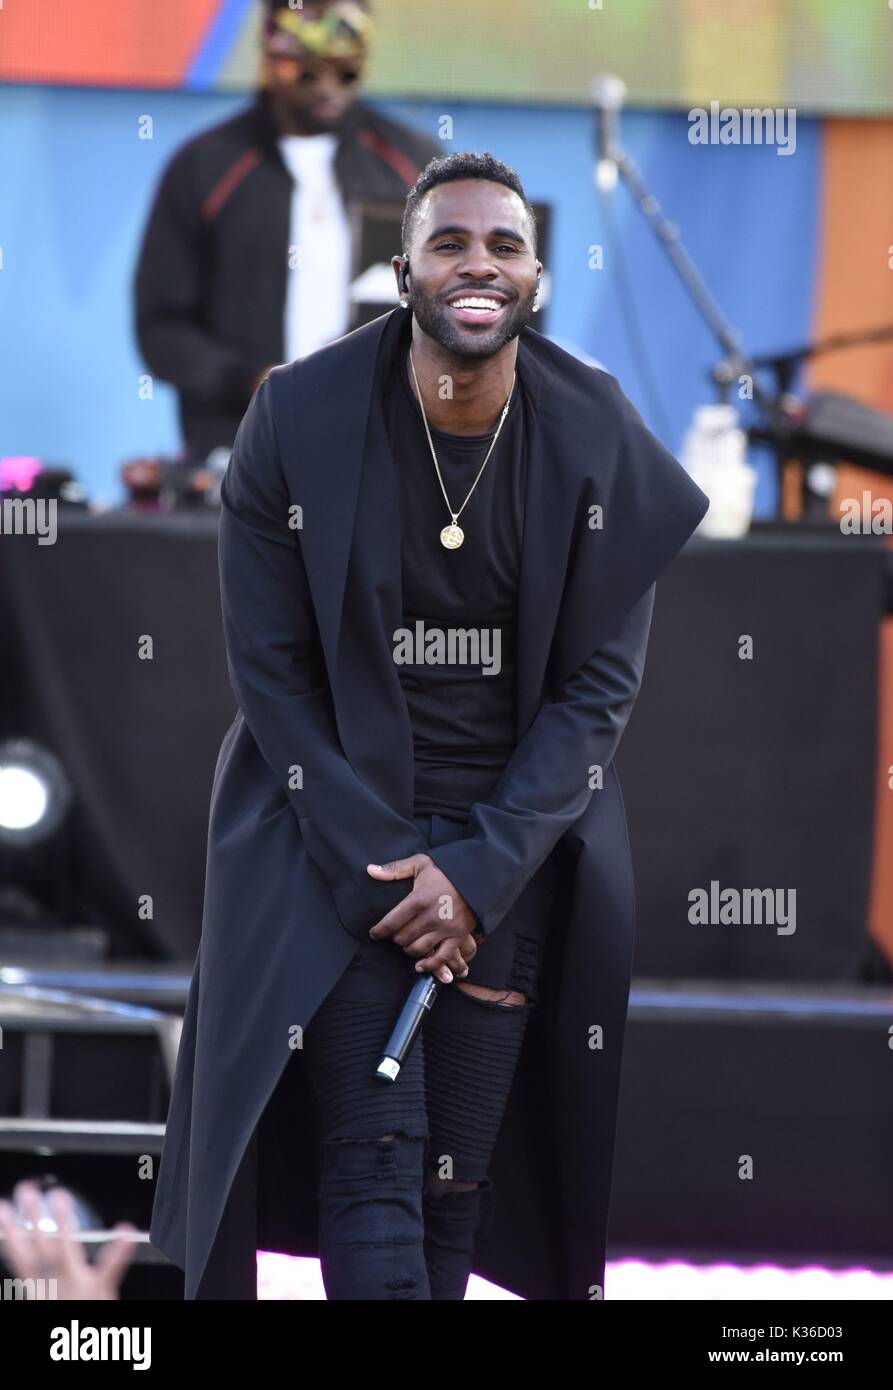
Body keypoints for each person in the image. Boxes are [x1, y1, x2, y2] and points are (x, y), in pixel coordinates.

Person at [149, 151, 709, 1300]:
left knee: (454, 1177)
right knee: (375, 1153)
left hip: (510, 850)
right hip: (335, 837)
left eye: (502, 245)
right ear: (399, 268)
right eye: (447, 242)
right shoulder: (293, 418)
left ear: (537, 279)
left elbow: (593, 695)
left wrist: (474, 880)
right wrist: (388, 878)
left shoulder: (593, 435)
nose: (476, 264)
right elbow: (270, 673)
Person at [134, 0, 440, 458]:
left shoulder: (409, 164)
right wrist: (253, 382)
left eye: (345, 71)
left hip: (383, 443)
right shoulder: (205, 167)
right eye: (309, 71)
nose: (328, 87)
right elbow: (162, 325)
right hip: (238, 446)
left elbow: (443, 302)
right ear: (271, 56)